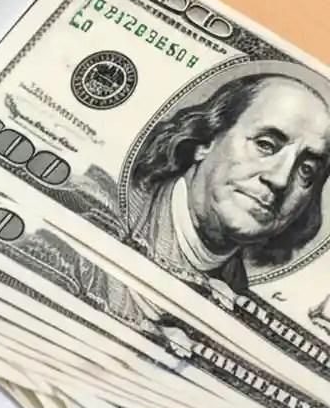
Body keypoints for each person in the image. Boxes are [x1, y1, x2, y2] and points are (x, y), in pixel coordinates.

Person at [127, 72, 330, 293]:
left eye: (306, 170)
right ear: (206, 140)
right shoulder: (110, 207)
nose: (280, 180)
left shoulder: (236, 292)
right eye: (265, 144)